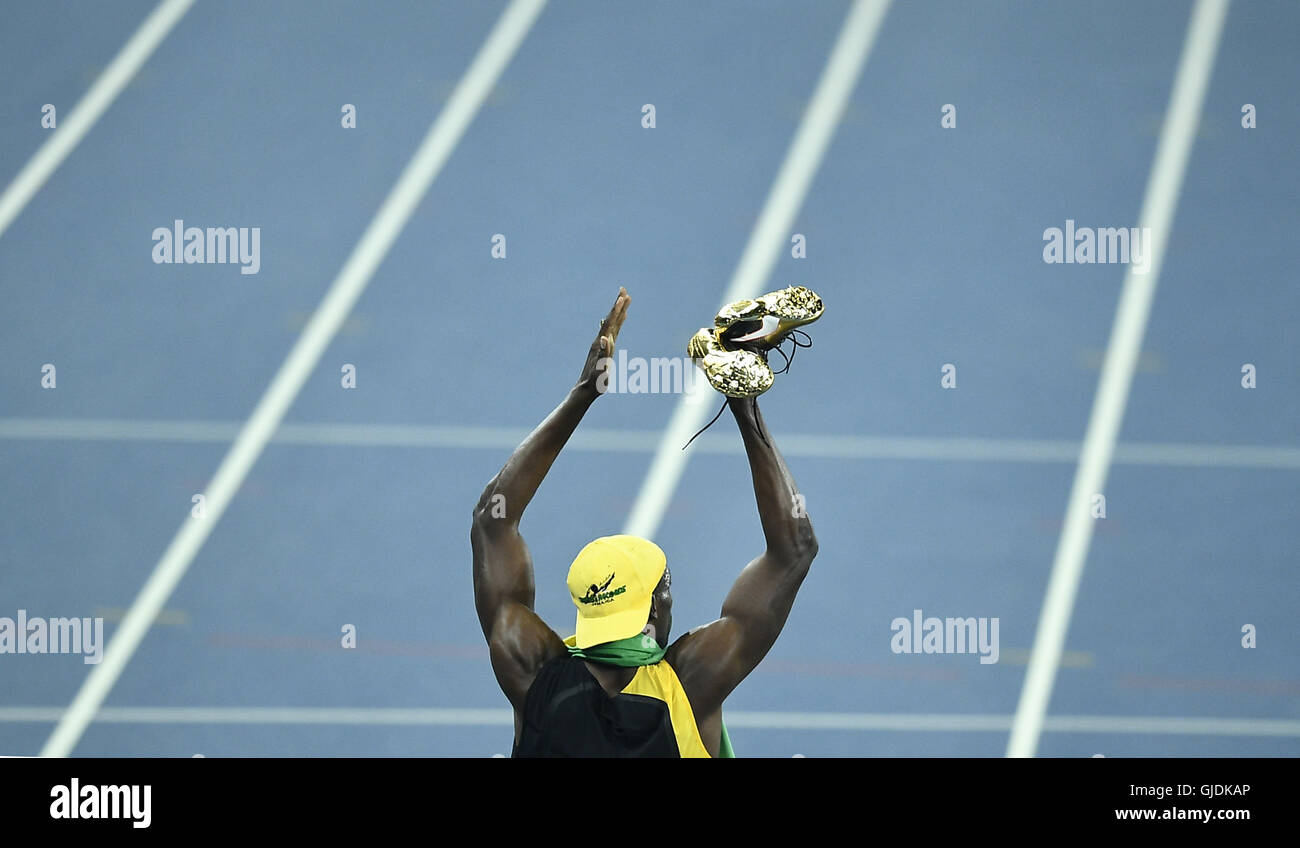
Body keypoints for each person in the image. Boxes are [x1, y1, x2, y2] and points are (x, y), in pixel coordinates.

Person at [471, 287, 818, 757]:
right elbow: (794, 549)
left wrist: (582, 395)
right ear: (654, 611)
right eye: (666, 590)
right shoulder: (691, 684)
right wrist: (744, 404)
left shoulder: (529, 670)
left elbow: (493, 520)